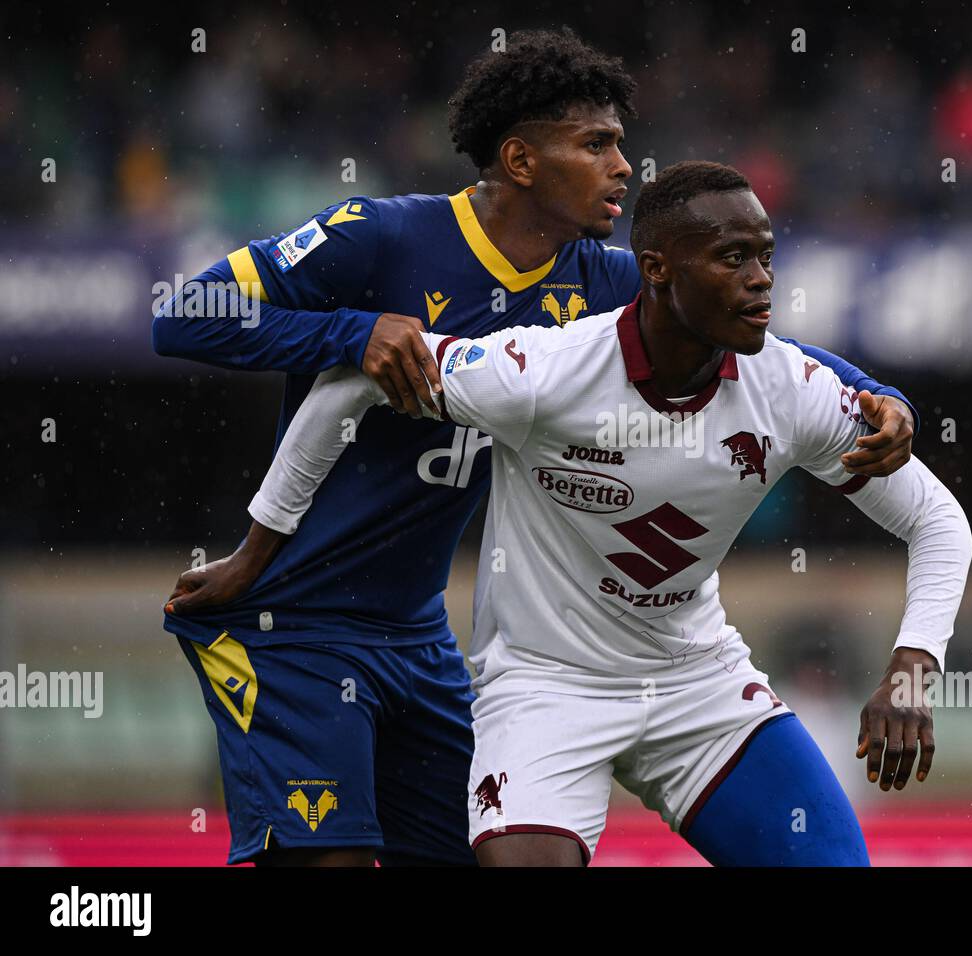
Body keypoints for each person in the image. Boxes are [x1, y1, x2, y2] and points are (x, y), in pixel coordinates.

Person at [154, 30, 920, 866]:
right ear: (520, 161)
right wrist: (353, 331)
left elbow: (764, 347)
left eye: (622, 143)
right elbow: (182, 314)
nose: (625, 166)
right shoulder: (379, 238)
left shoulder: (606, 278)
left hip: (419, 638)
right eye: (596, 145)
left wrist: (883, 400)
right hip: (297, 620)